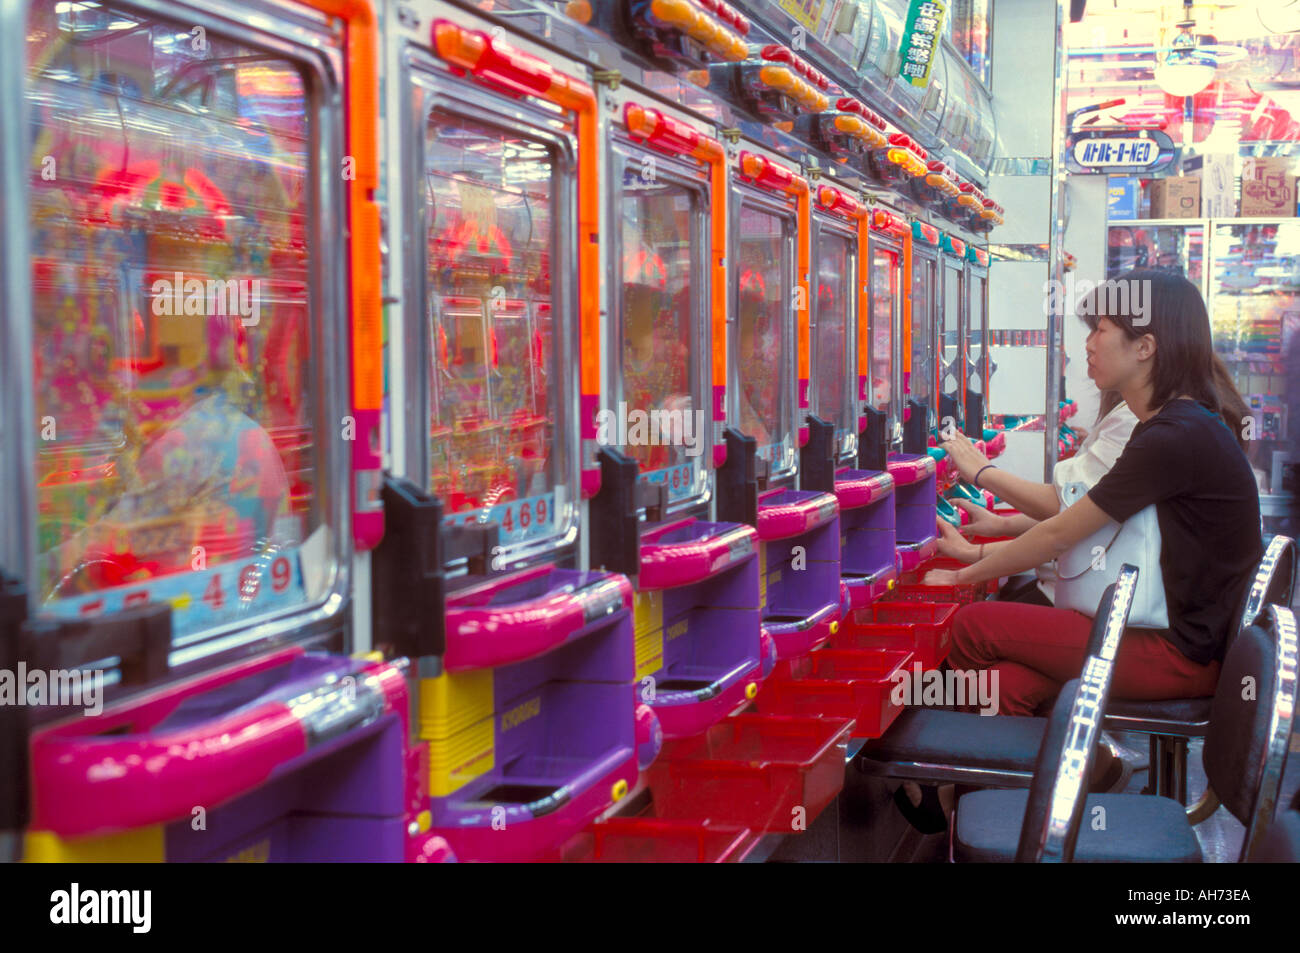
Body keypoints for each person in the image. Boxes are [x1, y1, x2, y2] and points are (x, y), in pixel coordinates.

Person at [922, 271, 1261, 727]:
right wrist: (987, 543)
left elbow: (1062, 531)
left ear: (1145, 347)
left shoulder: (1174, 436)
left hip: (1176, 652)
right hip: (1180, 640)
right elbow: (1080, 516)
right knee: (1001, 686)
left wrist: (962, 574)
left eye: (1101, 330)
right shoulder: (1177, 425)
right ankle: (1056, 782)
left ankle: (975, 782)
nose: (1089, 344)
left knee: (973, 625)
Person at [935, 389, 1137, 606]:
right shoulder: (1132, 414)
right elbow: (1071, 513)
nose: (1090, 352)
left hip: (1082, 595)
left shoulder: (1131, 420)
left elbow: (1065, 521)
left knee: (969, 624)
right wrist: (1001, 524)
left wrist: (983, 473)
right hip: (1072, 587)